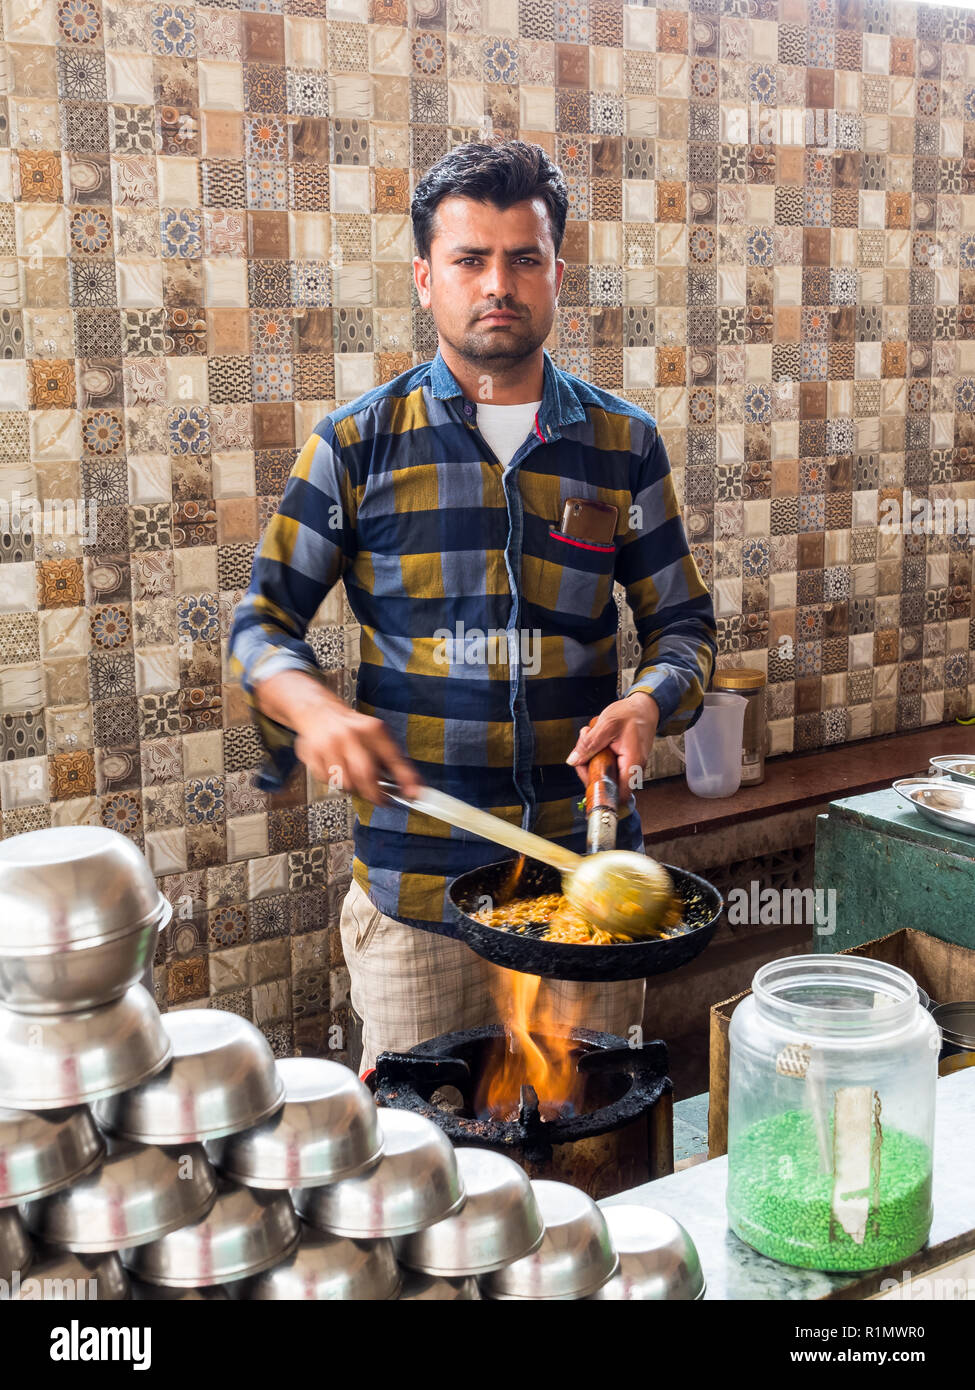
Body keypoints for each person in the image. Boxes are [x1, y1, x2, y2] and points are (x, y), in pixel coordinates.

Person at [229, 140, 717, 1072]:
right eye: (469, 260)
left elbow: (682, 627)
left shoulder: (622, 445)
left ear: (556, 274)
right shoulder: (355, 445)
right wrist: (314, 709)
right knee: (429, 1171)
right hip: (417, 891)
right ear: (426, 278)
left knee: (589, 1162)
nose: (499, 283)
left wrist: (651, 699)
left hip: (588, 884)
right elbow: (261, 624)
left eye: (523, 259)